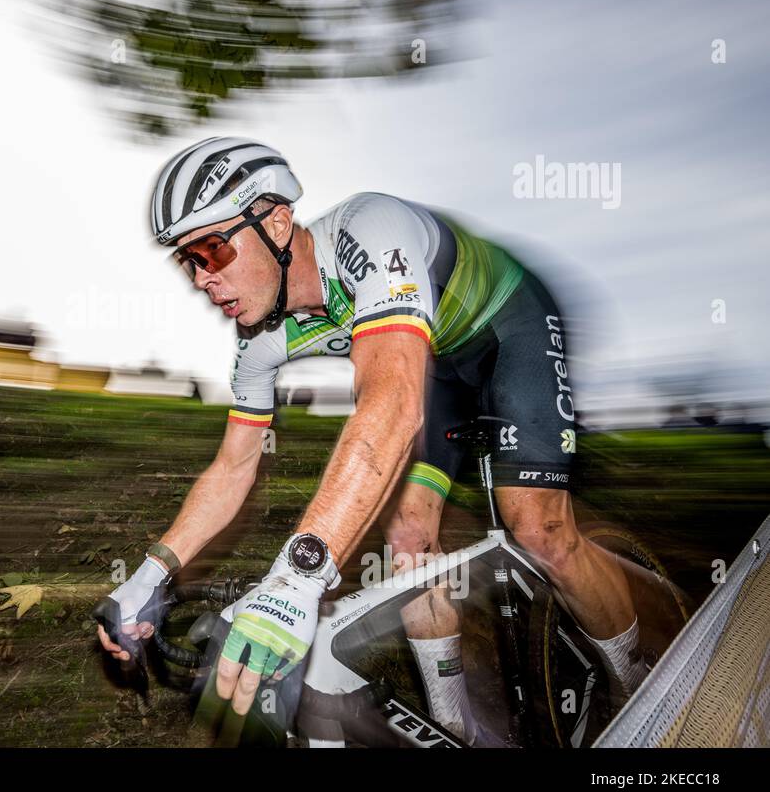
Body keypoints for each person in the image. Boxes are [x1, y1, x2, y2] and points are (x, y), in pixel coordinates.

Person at [97, 136, 648, 744]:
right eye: (188, 261)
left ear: (276, 223)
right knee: (409, 539)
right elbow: (232, 467)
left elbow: (391, 402)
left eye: (212, 249)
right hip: (435, 368)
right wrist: (149, 575)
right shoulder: (257, 343)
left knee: (539, 529)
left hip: (507, 330)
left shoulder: (369, 229)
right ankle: (454, 723)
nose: (202, 278)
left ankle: (639, 683)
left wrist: (296, 580)